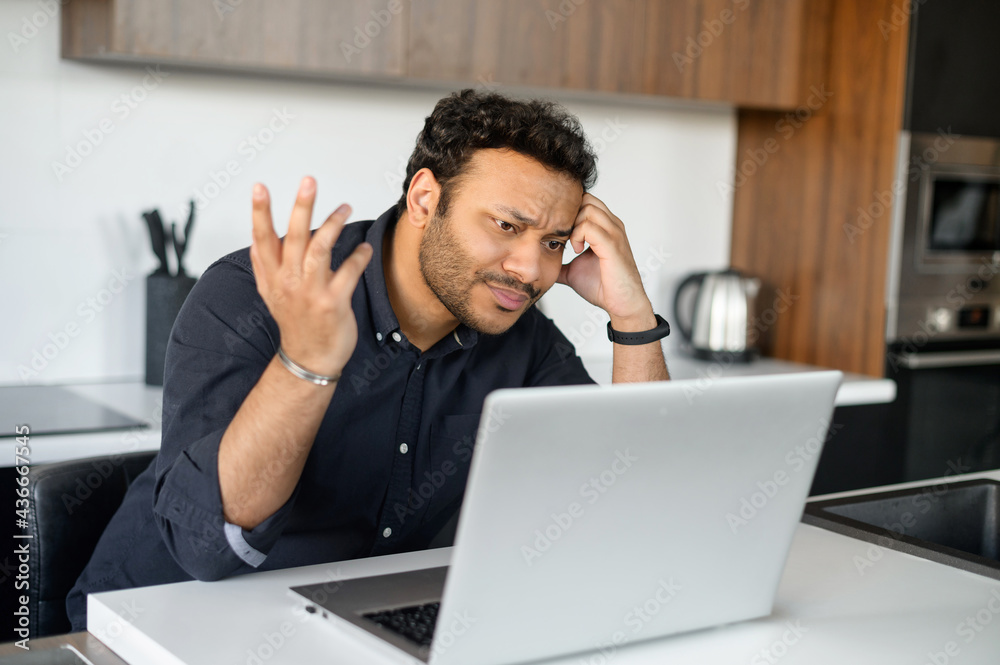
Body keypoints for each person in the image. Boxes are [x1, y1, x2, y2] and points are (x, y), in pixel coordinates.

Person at [66, 89, 669, 630]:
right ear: (425, 198)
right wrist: (306, 364)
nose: (532, 270)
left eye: (553, 242)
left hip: (344, 628)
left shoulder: (520, 336)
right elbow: (205, 550)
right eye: (507, 225)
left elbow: (632, 502)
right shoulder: (251, 294)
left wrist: (633, 317)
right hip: (153, 623)